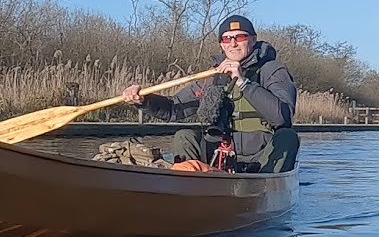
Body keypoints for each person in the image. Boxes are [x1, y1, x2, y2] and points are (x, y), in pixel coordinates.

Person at [121, 14, 300, 173]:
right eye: (226, 39)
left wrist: (243, 82)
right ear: (221, 44)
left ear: (253, 40)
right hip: (221, 156)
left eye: (240, 37)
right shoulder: (213, 76)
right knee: (184, 136)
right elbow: (174, 108)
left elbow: (282, 117)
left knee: (288, 137)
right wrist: (144, 100)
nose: (233, 43)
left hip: (262, 158)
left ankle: (264, 189)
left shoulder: (273, 71)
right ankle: (189, 184)